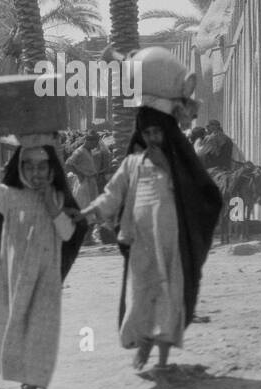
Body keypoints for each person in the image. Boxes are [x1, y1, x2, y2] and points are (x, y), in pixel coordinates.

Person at [79, 104, 221, 372]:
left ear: (166, 134)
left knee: (170, 298)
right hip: (141, 245)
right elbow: (112, 194)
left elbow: (196, 195)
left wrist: (166, 166)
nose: (154, 138)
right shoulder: (132, 164)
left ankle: (164, 363)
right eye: (148, 133)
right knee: (140, 298)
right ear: (141, 135)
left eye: (158, 132)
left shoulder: (178, 164)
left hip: (171, 245)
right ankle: (144, 344)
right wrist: (87, 212)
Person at [0, 134, 88, 389]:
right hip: (16, 280)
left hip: (46, 280)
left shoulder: (58, 198)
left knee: (40, 333)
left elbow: (69, 232)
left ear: (51, 169)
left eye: (42, 167)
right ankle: (26, 388)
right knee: (17, 331)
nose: (36, 172)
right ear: (21, 167)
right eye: (30, 166)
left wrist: (53, 206)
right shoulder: (9, 196)